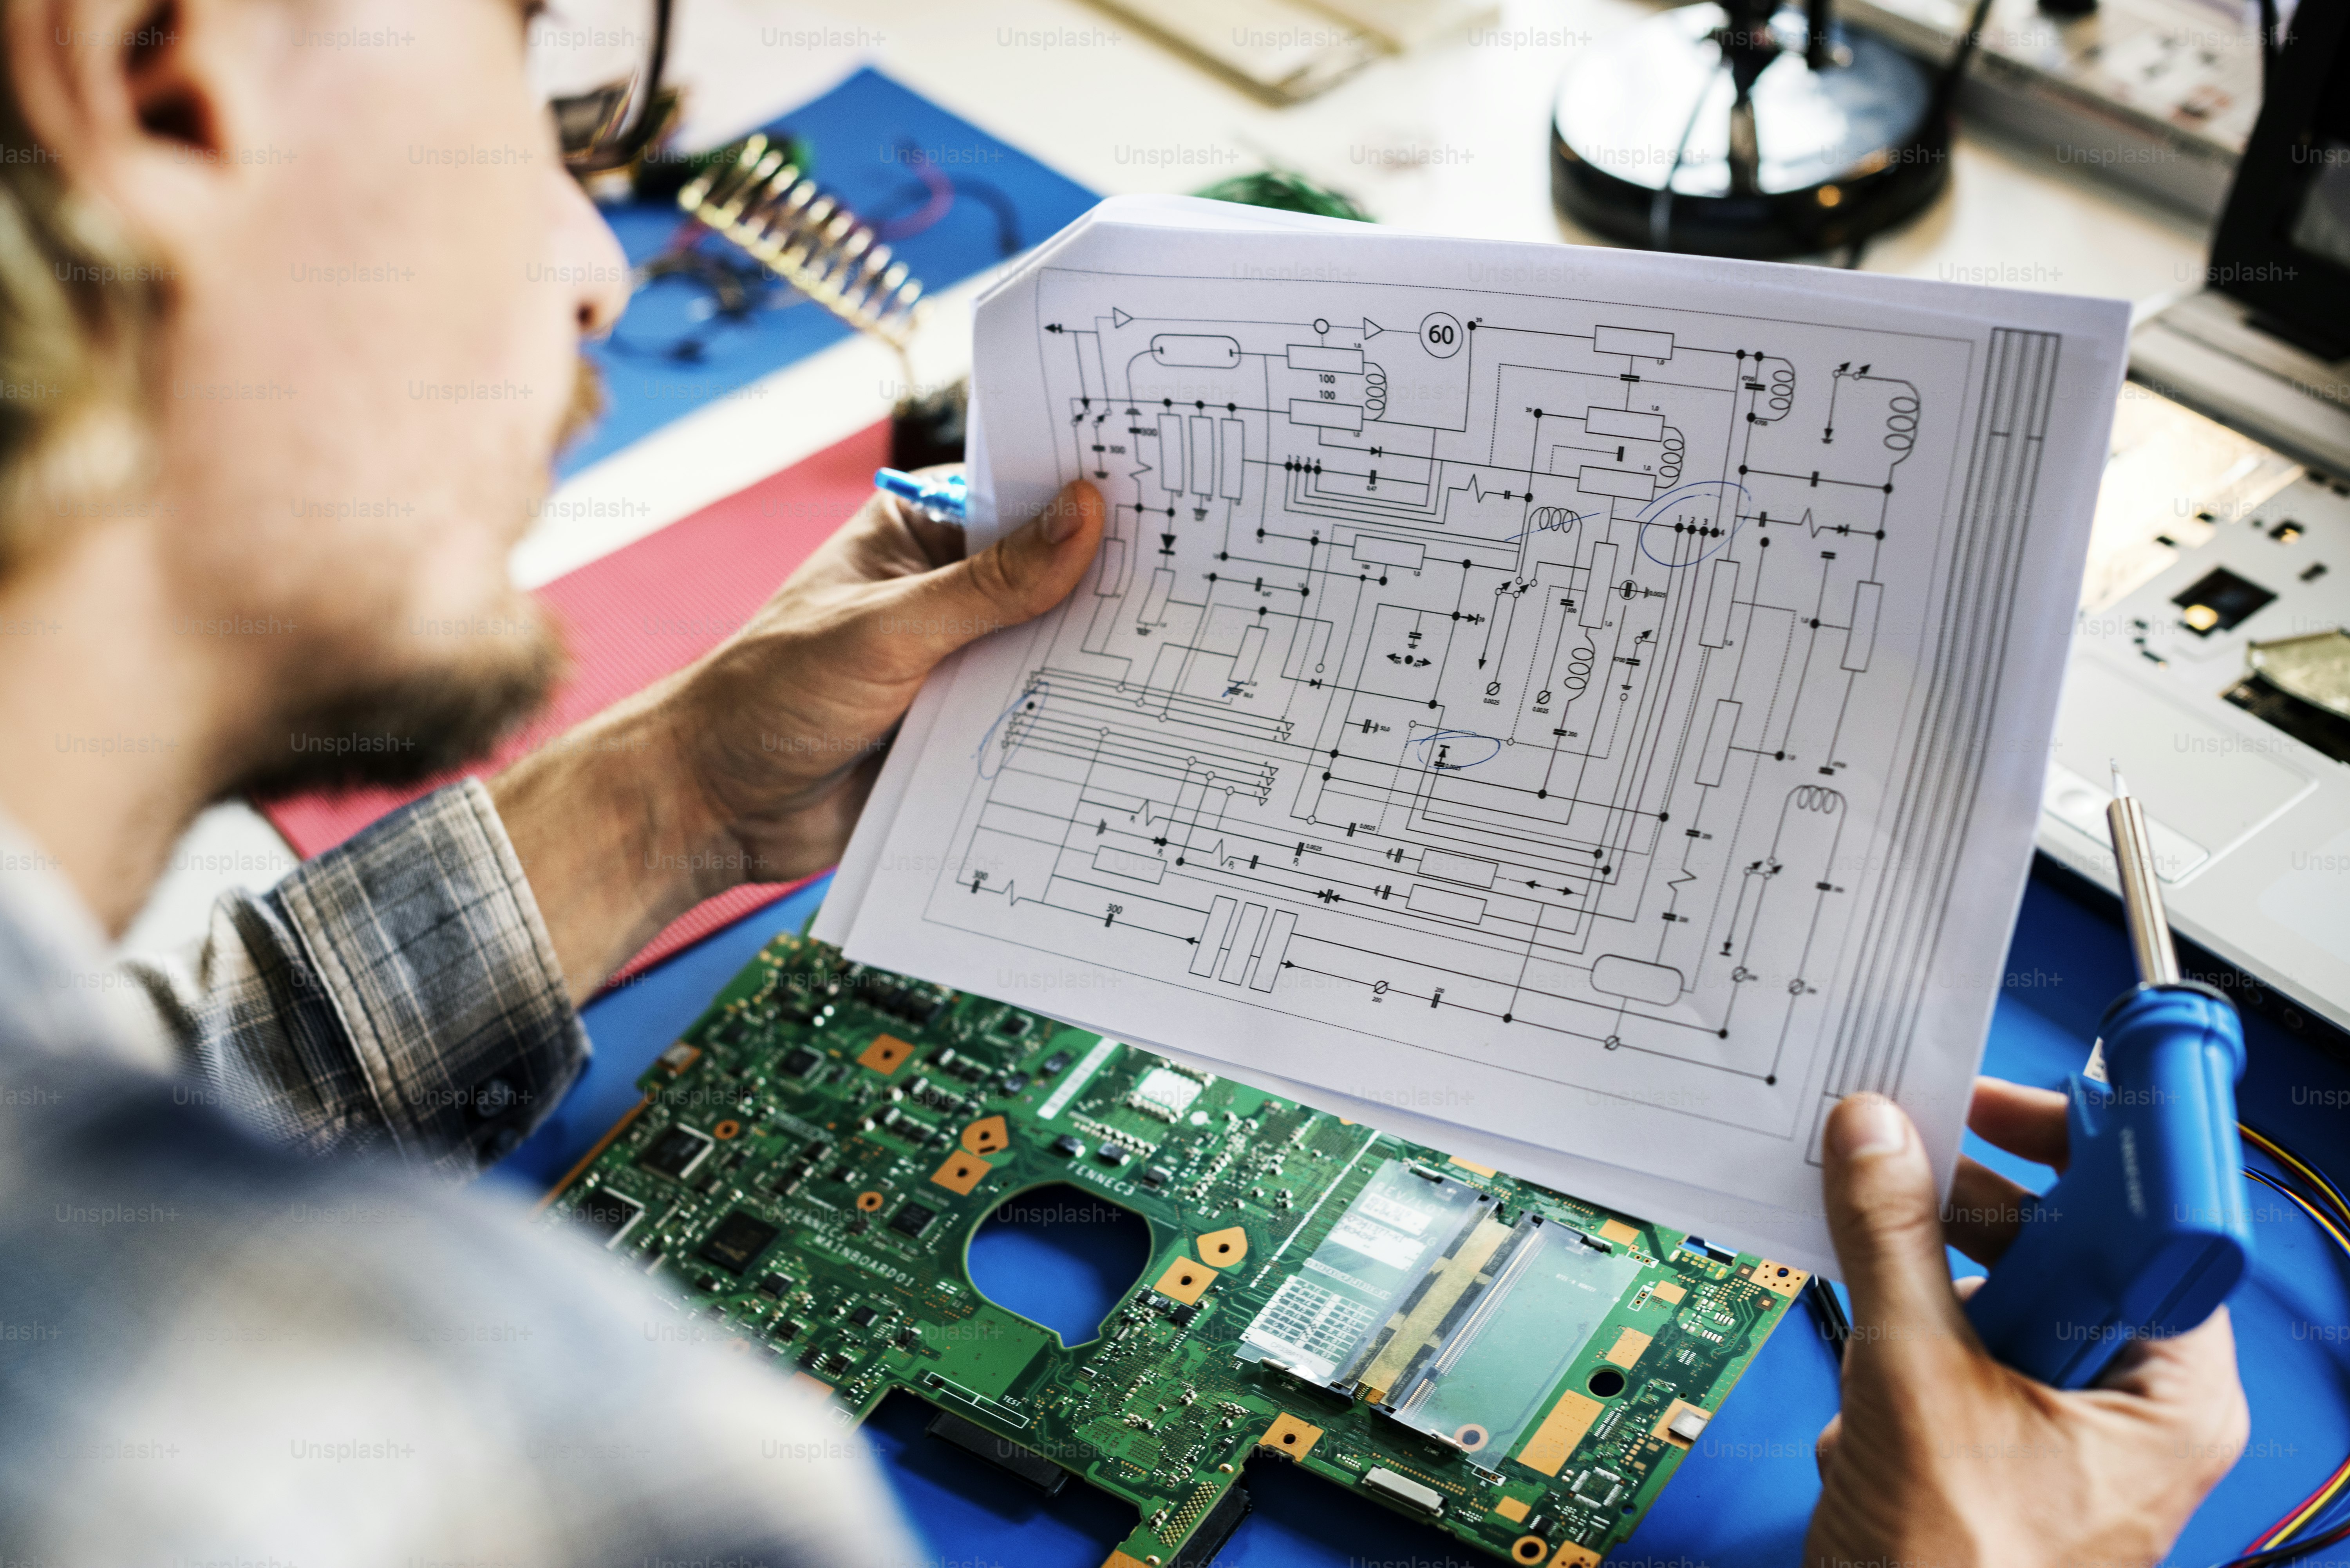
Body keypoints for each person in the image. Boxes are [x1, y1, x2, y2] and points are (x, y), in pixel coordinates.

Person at [0, 2, 2246, 1564]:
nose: (602, 264)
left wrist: (669, 802)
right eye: (540, 97)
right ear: (158, 76)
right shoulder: (549, 1464)